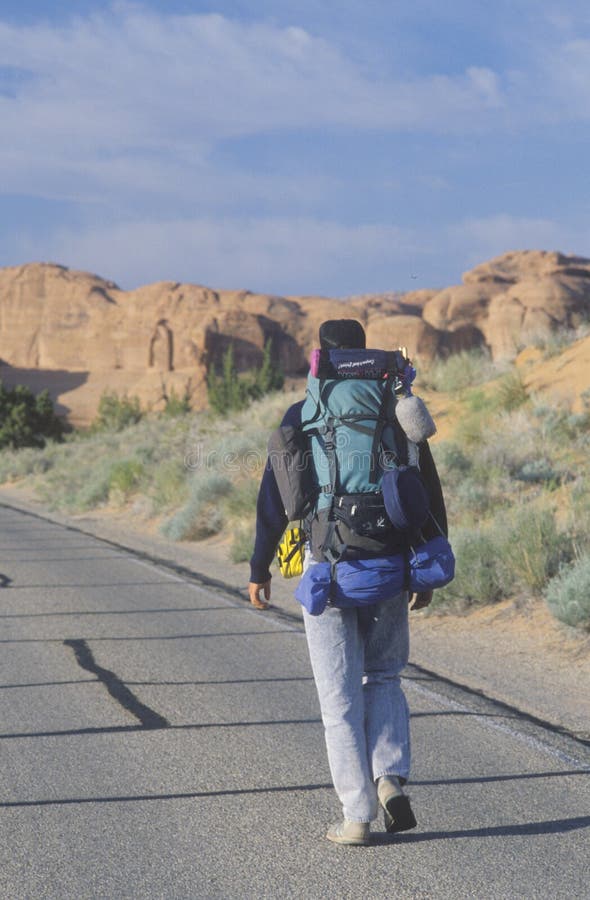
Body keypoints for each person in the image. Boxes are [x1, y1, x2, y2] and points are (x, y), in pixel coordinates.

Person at [248, 319, 448, 846]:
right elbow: (426, 489)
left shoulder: (304, 413)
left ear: (322, 356)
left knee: (338, 700)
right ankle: (390, 778)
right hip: (390, 565)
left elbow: (275, 499)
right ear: (365, 352)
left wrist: (258, 567)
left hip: (328, 569)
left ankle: (355, 817)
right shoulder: (396, 408)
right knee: (383, 677)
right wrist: (426, 565)